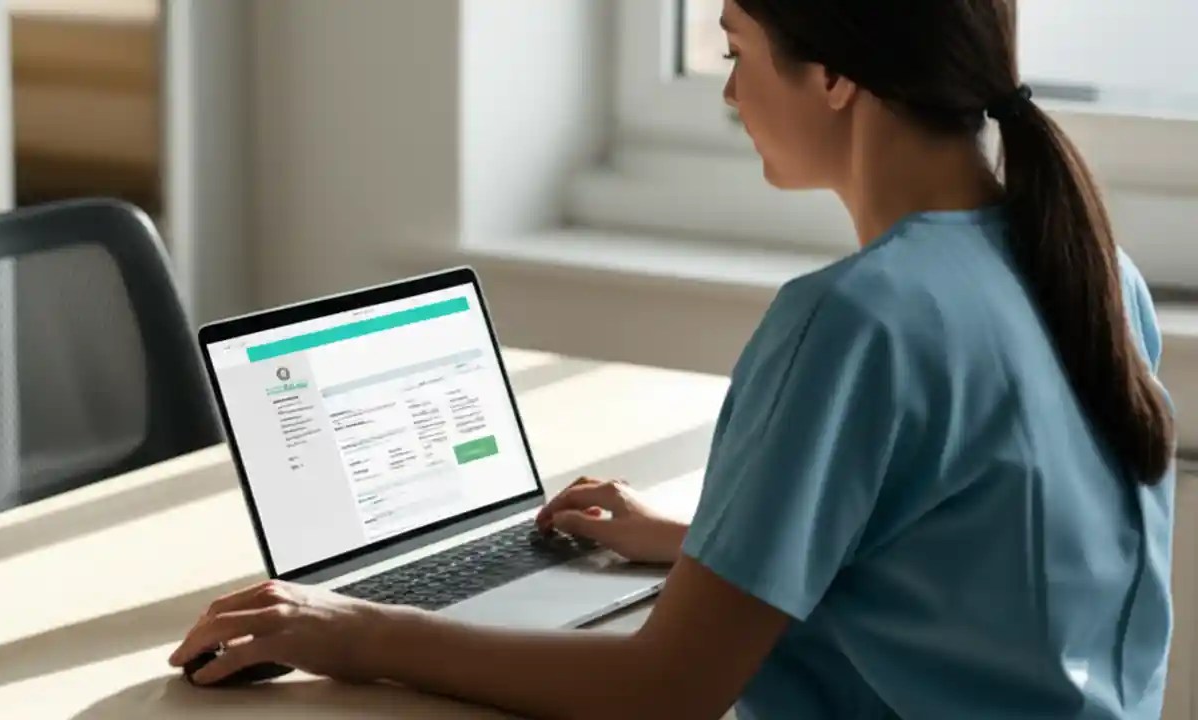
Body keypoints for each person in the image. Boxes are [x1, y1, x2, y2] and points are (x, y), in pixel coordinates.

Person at [170, 0, 1177, 717]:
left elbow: (664, 690)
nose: (730, 92)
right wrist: (702, 547)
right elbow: (958, 555)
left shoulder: (854, 320)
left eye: (737, 46)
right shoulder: (1089, 270)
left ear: (832, 75)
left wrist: (354, 632)